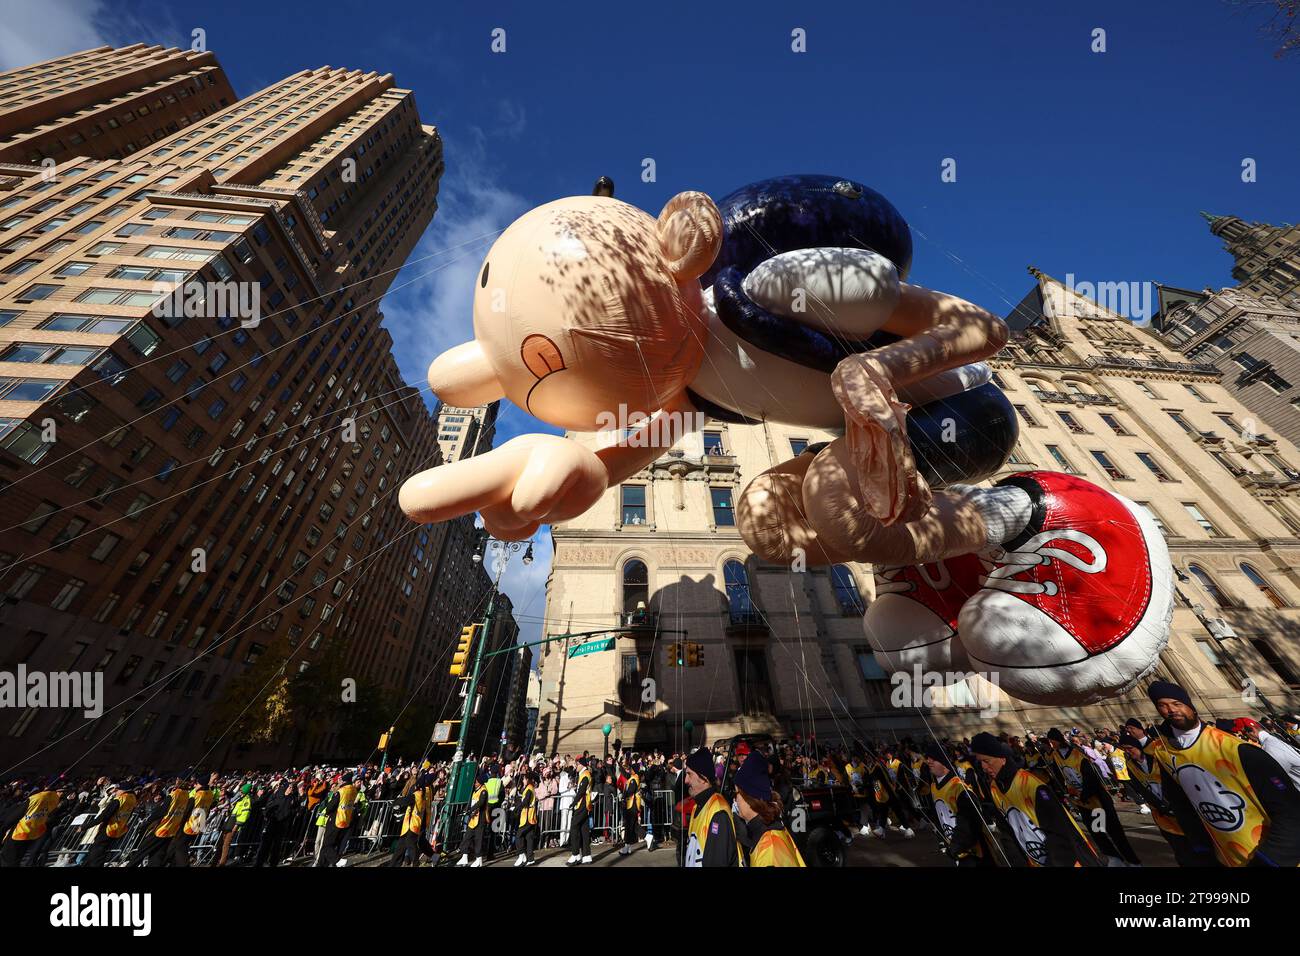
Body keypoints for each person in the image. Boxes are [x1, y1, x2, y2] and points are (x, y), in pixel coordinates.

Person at [1144, 681, 1300, 867]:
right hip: (1227, 858)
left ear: (1190, 706)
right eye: (1162, 705)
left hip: (1273, 856)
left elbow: (1291, 811)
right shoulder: (1163, 754)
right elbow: (1182, 807)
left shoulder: (1239, 749)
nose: (1171, 710)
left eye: (1177, 703)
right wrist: (1201, 850)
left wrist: (1269, 860)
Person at [970, 732, 1101, 867]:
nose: (984, 767)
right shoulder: (994, 788)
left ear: (1002, 758)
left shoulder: (1031, 785)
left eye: (986, 761)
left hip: (1068, 860)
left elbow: (1060, 833)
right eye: (980, 762)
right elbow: (1007, 834)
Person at [1045, 727, 1141, 866]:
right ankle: (1113, 857)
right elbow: (1059, 776)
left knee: (1114, 831)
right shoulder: (1055, 756)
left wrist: (1084, 794)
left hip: (1097, 798)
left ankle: (1133, 861)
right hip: (1083, 802)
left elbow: (1091, 778)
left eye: (1052, 741)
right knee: (1097, 832)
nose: (1051, 744)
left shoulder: (1077, 754)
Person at [922, 742, 999, 867]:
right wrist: (942, 840)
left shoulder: (959, 788)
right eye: (928, 758)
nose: (929, 761)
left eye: (934, 758)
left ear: (944, 762)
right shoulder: (934, 787)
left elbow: (970, 824)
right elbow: (937, 817)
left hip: (973, 853)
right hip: (954, 849)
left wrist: (956, 847)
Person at [733, 751, 804, 866]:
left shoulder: (770, 848)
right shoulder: (761, 833)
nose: (735, 800)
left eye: (737, 794)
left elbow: (799, 822)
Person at [683, 747, 742, 867]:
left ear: (704, 778)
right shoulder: (698, 806)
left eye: (689, 774)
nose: (686, 780)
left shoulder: (718, 813)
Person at [129, 777, 191, 867]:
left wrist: (146, 823)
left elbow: (161, 811)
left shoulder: (174, 794)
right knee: (157, 855)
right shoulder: (186, 795)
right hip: (172, 830)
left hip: (162, 829)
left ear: (178, 780)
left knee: (141, 852)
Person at [0, 782, 63, 867]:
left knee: (7, 859)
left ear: (46, 787)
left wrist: (3, 829)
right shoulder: (55, 799)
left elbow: (16, 815)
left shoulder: (36, 797)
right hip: (34, 834)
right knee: (18, 859)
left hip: (20, 833)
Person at [1235, 718, 1300, 792]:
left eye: (1244, 733)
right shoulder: (1271, 740)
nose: (1245, 737)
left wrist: (1281, 792)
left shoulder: (1270, 746)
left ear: (1252, 730)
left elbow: (1278, 777)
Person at [81, 782, 136, 867]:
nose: (116, 792)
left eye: (117, 790)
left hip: (108, 829)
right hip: (118, 831)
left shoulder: (119, 799)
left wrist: (85, 826)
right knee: (94, 853)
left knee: (96, 856)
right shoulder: (132, 800)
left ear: (123, 790)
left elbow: (104, 816)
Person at [316, 772, 359, 867]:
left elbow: (331, 806)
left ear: (343, 781)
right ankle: (321, 864)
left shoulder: (341, 791)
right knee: (327, 846)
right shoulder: (354, 790)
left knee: (327, 844)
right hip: (346, 820)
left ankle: (337, 860)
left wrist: (327, 809)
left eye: (340, 780)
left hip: (336, 819)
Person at [458, 769, 489, 867]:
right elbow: (471, 802)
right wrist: (466, 809)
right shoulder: (475, 790)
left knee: (478, 839)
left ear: (480, 782)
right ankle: (464, 857)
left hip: (480, 818)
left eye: (476, 782)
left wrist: (471, 809)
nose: (474, 783)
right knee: (467, 837)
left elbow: (481, 802)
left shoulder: (483, 790)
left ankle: (479, 859)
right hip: (473, 818)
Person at [566, 756, 594, 865]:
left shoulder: (585, 775)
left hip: (582, 804)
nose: (575, 766)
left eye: (577, 764)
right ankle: (586, 855)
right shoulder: (583, 774)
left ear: (581, 764)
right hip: (584, 804)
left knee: (574, 827)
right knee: (584, 829)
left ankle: (575, 854)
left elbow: (582, 791)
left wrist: (573, 802)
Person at [515, 771, 539, 866]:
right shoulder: (530, 788)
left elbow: (525, 802)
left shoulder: (529, 789)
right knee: (529, 838)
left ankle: (522, 855)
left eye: (524, 779)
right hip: (531, 817)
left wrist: (516, 808)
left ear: (528, 780)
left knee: (519, 836)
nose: (523, 780)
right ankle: (530, 859)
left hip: (527, 818)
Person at [620, 760, 642, 856]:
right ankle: (627, 847)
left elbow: (630, 791)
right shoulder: (632, 777)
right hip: (630, 804)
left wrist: (624, 798)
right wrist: (619, 764)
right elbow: (625, 773)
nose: (630, 770)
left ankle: (627, 846)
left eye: (631, 769)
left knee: (630, 826)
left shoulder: (634, 779)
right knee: (632, 826)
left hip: (631, 804)